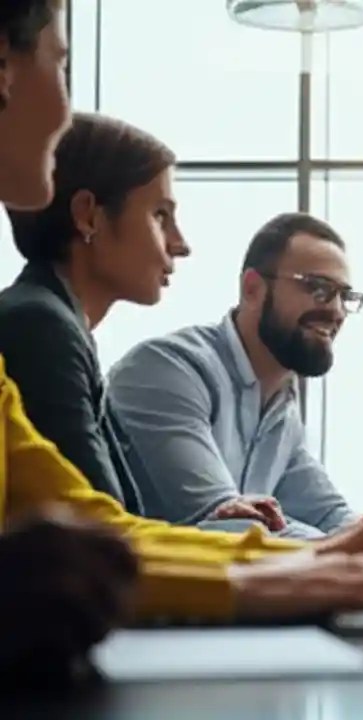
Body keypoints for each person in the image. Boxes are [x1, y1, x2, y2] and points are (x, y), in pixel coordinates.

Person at [0, 2, 363, 672]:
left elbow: (94, 529)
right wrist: (290, 568)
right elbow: (94, 543)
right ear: (4, 71)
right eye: (63, 64)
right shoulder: (52, 329)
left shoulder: (50, 334)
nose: (181, 245)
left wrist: (326, 554)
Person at [0, 112, 283, 534]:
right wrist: (319, 558)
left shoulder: (56, 324)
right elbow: (97, 539)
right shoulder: (41, 328)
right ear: (89, 216)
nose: (180, 244)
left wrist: (209, 528)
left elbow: (112, 522)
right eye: (160, 215)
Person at [106, 212, 363, 539]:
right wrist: (361, 548)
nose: (336, 311)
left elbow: (330, 515)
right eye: (318, 288)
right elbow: (223, 525)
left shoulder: (281, 404)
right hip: (151, 586)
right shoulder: (166, 370)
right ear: (252, 288)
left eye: (344, 296)